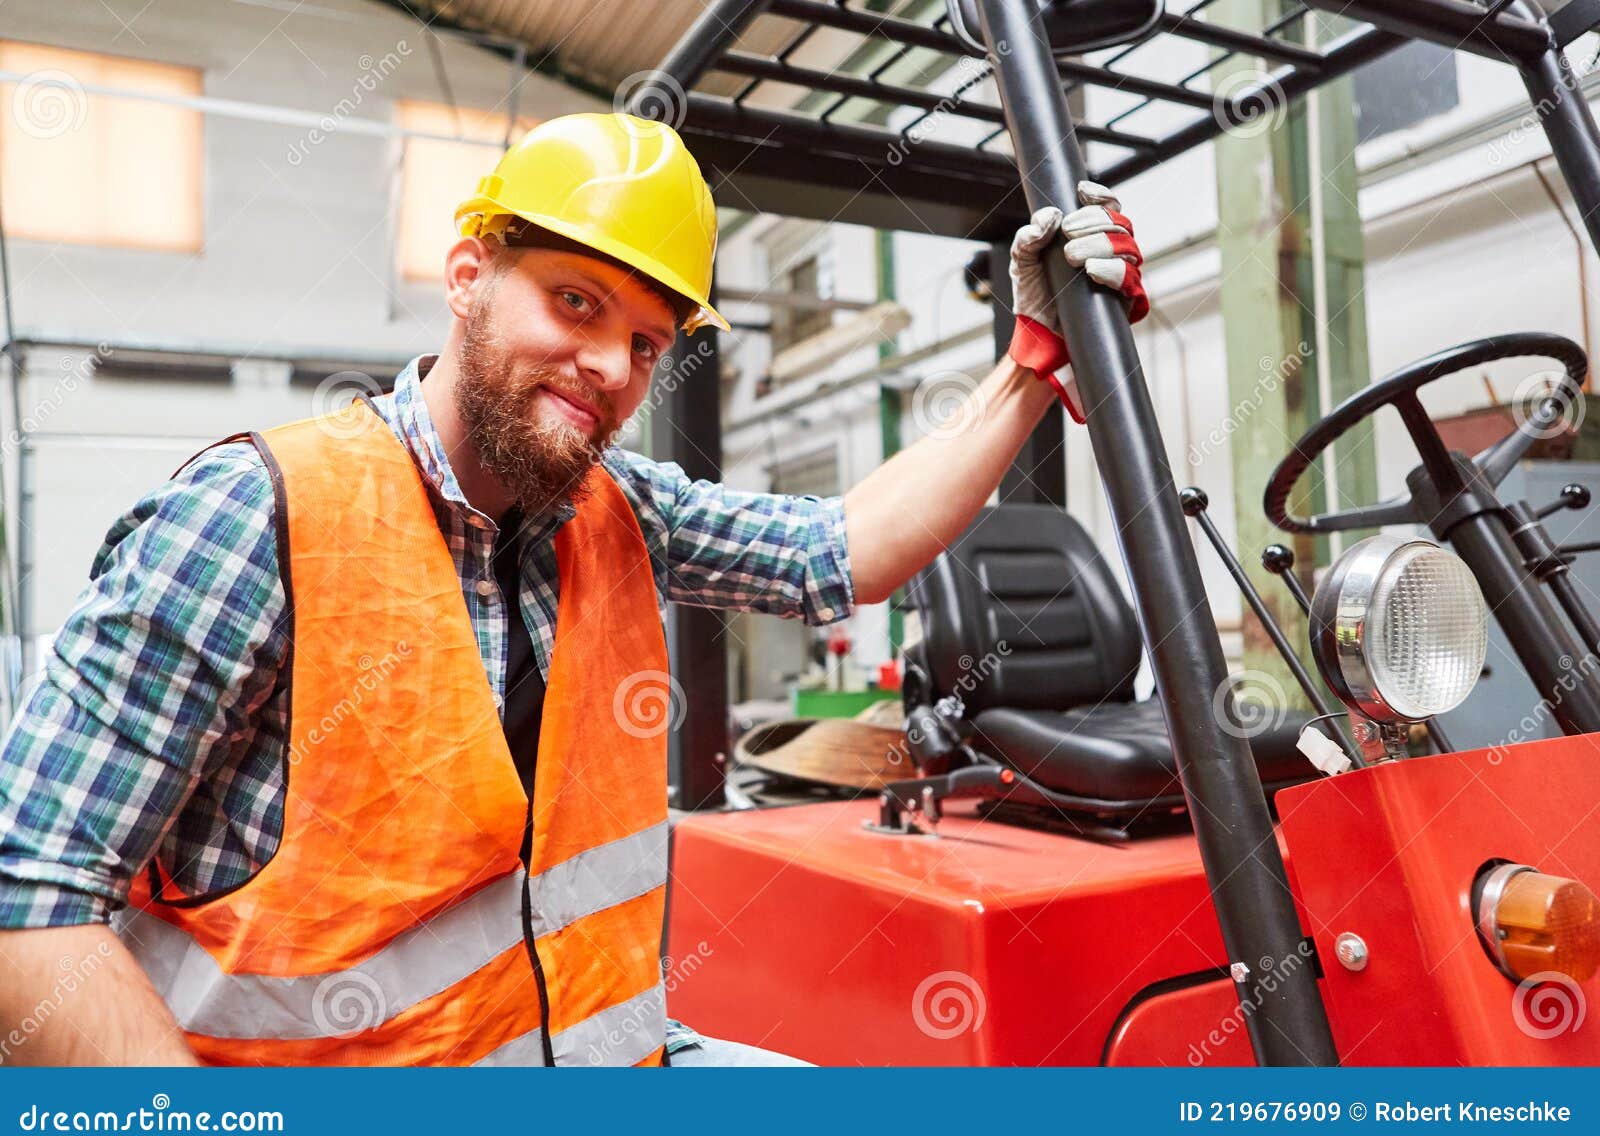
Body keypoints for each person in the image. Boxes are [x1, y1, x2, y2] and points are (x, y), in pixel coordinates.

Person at [0, 113, 1145, 1067]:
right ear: (467, 277)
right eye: (575, 301)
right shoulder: (254, 515)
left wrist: (1031, 362)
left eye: (648, 342)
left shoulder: (619, 507)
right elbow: (31, 903)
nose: (611, 366)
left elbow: (835, 549)